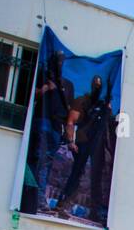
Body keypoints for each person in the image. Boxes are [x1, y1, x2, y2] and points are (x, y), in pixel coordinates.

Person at [55, 74, 115, 221]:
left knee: (97, 178)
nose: (97, 87)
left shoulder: (103, 105)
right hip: (83, 142)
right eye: (96, 84)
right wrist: (70, 141)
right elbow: (70, 121)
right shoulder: (82, 101)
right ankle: (63, 204)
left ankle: (95, 211)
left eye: (99, 85)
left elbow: (109, 127)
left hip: (98, 146)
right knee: (77, 173)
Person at [32, 50, 74, 207]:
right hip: (42, 120)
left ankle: (39, 197)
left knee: (47, 162)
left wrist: (70, 137)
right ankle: (37, 197)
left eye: (62, 60)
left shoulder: (68, 85)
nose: (60, 63)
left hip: (57, 127)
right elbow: (31, 95)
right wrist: (45, 88)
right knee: (39, 159)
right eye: (57, 60)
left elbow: (70, 113)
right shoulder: (42, 76)